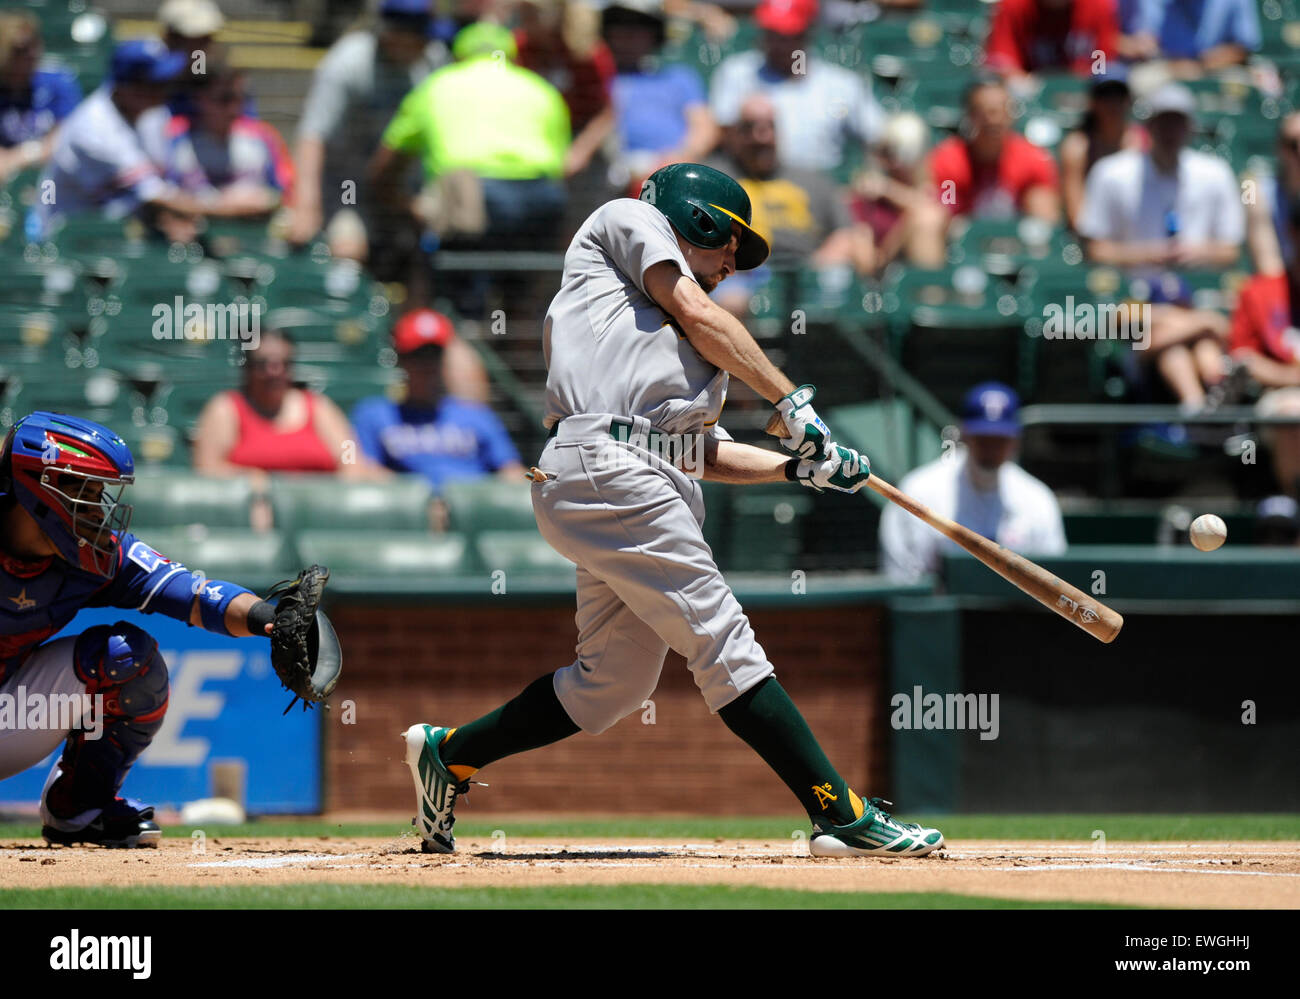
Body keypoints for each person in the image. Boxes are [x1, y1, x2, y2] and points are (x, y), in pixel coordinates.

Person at [401, 162, 946, 858]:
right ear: (698, 217)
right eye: (728, 246)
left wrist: (799, 467)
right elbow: (696, 309)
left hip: (635, 478)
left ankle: (449, 756)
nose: (731, 264)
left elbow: (705, 453)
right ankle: (838, 811)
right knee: (724, 640)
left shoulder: (677, 347)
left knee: (613, 685)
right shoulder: (626, 221)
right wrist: (790, 401)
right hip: (608, 466)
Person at [0, 411, 301, 847]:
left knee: (127, 659)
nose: (97, 511)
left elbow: (195, 595)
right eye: (85, 492)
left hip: (10, 714)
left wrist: (271, 621)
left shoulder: (96, 555)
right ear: (39, 489)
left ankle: (79, 810)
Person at [370, 22, 570, 313]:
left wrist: (404, 205)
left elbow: (385, 166)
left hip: (470, 198)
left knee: (456, 297)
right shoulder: (543, 91)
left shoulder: (437, 85)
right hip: (541, 199)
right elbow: (560, 165)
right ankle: (518, 341)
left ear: (458, 55)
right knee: (524, 301)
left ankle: (455, 331)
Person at [1077, 82, 1243, 410]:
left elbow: (1230, 250)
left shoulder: (1215, 173)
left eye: (1177, 121)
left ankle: (1198, 405)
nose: (1170, 130)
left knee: (1177, 343)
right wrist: (1151, 254)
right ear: (1148, 125)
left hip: (1190, 300)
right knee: (1199, 329)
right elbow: (1093, 249)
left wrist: (1196, 252)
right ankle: (1217, 398)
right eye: (1163, 121)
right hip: (1129, 303)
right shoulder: (1112, 174)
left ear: (1190, 126)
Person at [29, 39, 270, 243]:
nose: (166, 89)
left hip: (118, 228)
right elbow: (156, 195)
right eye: (157, 83)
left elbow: (157, 189)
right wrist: (228, 207)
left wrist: (170, 219)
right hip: (63, 239)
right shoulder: (94, 128)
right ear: (128, 88)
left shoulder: (152, 114)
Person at [288, 0, 445, 264]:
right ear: (391, 32)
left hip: (404, 191)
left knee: (446, 238)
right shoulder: (349, 61)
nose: (425, 43)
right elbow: (313, 136)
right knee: (347, 248)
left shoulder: (433, 60)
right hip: (348, 190)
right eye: (418, 35)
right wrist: (306, 205)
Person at [192, 329, 386, 532]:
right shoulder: (226, 409)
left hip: (320, 513)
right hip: (257, 515)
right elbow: (208, 468)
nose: (273, 371)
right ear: (247, 367)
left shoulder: (319, 407)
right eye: (263, 364)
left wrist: (343, 477)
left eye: (283, 363)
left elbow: (349, 455)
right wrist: (261, 482)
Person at [879, 383, 1067, 582]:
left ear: (1015, 440)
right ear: (965, 434)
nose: (991, 447)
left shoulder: (1037, 498)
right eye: (983, 437)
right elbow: (904, 581)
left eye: (999, 439)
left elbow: (1054, 583)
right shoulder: (919, 491)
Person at [708, 93, 874, 316]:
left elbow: (847, 233)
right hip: (740, 275)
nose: (761, 137)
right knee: (731, 302)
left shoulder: (812, 180)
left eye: (769, 127)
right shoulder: (713, 179)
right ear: (734, 134)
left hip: (806, 276)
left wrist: (813, 271)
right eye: (750, 128)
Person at [351, 309, 524, 488]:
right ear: (402, 360)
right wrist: (421, 500)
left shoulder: (477, 415)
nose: (428, 366)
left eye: (435, 354)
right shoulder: (374, 414)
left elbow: (511, 471)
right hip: (409, 511)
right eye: (418, 355)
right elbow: (362, 471)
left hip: (471, 510)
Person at [709, 0, 884, 174]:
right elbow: (722, 132)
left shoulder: (841, 84)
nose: (777, 43)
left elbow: (879, 136)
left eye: (786, 36)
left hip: (821, 187)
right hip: (754, 182)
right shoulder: (737, 73)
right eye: (771, 33)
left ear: (807, 33)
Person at [602, 0, 716, 194]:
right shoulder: (597, 78)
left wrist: (673, 163)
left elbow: (705, 129)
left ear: (654, 33)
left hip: (670, 179)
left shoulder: (680, 77)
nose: (625, 35)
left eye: (637, 27)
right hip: (606, 179)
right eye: (618, 25)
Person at [161, 64, 293, 219]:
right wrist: (223, 205)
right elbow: (160, 195)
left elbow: (285, 194)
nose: (234, 108)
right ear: (200, 99)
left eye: (241, 98)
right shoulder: (174, 135)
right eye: (224, 99)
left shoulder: (263, 136)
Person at [928, 77, 1060, 224]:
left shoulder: (1033, 158)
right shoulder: (950, 160)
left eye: (1001, 110)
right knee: (935, 214)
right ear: (970, 116)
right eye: (984, 112)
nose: (993, 120)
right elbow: (947, 205)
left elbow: (1046, 210)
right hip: (962, 232)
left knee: (1040, 200)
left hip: (1015, 237)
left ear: (1011, 114)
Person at [848, 112, 948, 269]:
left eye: (889, 152)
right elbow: (868, 258)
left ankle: (930, 290)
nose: (883, 160)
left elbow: (939, 212)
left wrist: (888, 189)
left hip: (921, 259)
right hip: (884, 270)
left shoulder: (943, 183)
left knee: (926, 219)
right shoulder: (870, 196)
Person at [1058, 70, 1147, 231]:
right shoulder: (1077, 147)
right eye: (1105, 96)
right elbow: (1077, 216)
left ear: (1129, 100)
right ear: (1092, 102)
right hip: (1095, 235)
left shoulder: (1144, 143)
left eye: (1119, 95)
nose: (1112, 104)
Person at [0, 12, 80, 183]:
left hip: (47, 173)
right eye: (20, 49)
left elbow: (66, 136)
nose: (31, 54)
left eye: (35, 44)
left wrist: (21, 157)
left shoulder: (58, 81)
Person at [984, 0, 1121, 88]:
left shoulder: (1098, 5)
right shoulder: (1014, 5)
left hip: (1084, 90)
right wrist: (1020, 79)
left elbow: (1105, 62)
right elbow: (1001, 61)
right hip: (1032, 90)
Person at [1122, 0, 1260, 77]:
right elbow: (1144, 42)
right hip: (1166, 67)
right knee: (1140, 80)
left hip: (1216, 69)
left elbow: (1242, 48)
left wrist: (1200, 65)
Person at [1246, 112, 1300, 274]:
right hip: (1281, 291)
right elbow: (1268, 267)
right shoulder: (1254, 189)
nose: (1299, 152)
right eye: (1292, 144)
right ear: (1279, 148)